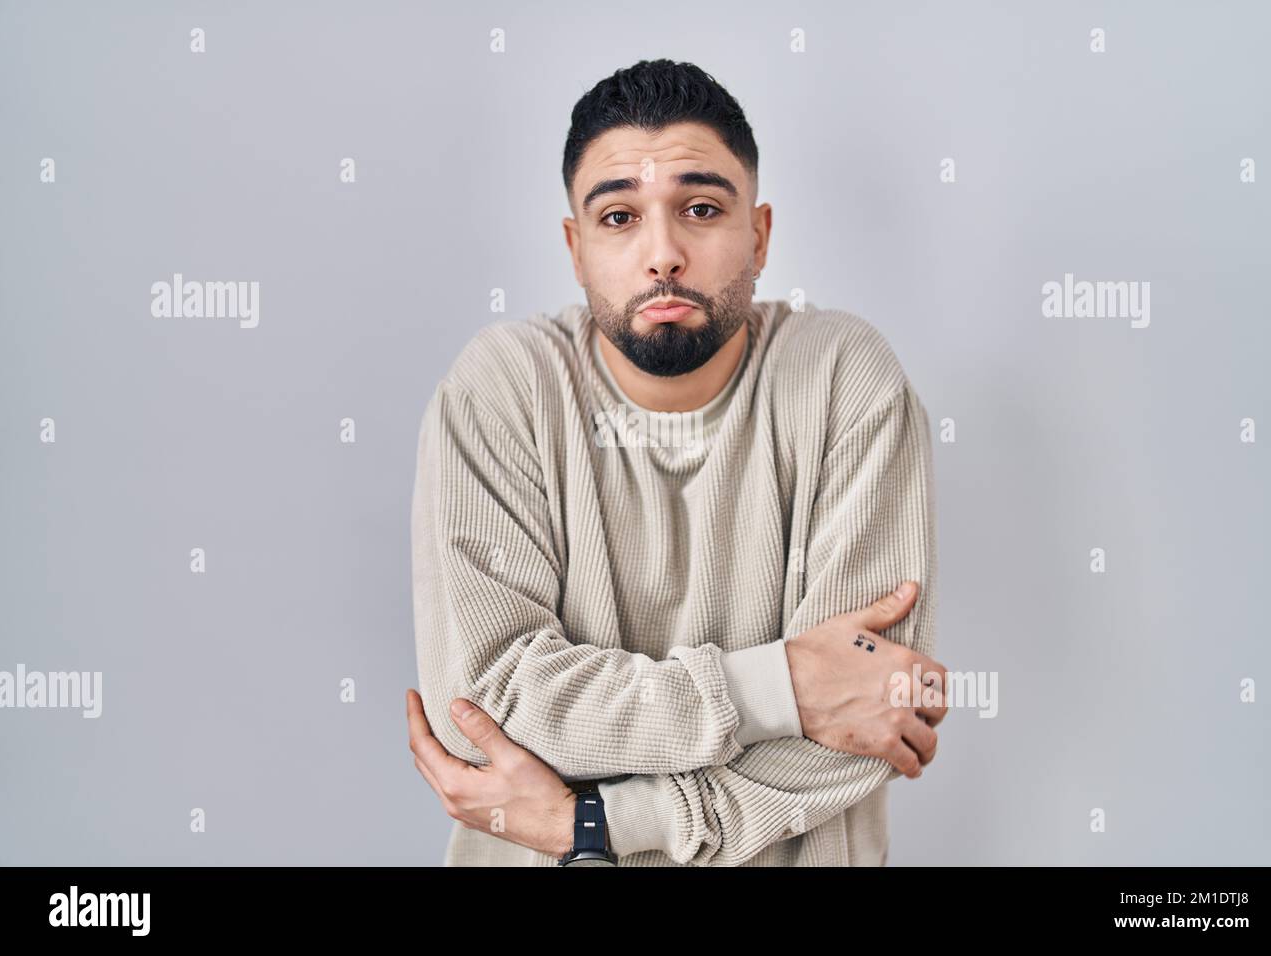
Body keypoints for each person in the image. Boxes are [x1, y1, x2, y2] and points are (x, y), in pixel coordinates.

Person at [405, 58, 948, 867]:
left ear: (759, 235)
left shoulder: (844, 379)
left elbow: (875, 707)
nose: (663, 254)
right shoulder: (501, 390)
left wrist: (590, 823)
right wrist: (783, 691)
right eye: (619, 217)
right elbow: (486, 710)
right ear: (576, 247)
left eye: (700, 209)